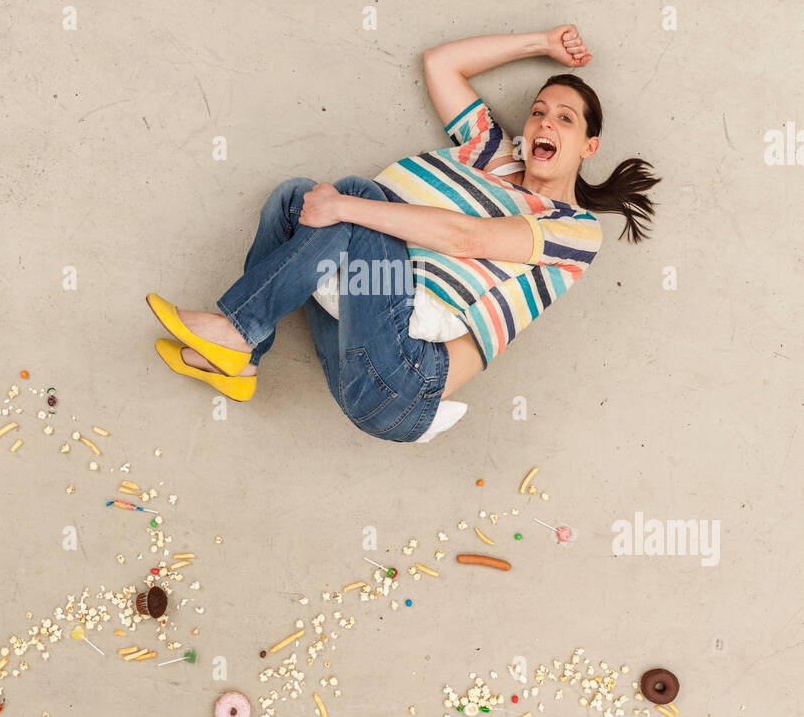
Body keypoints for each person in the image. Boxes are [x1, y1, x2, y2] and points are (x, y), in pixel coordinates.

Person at [146, 25, 660, 442]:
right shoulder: (490, 153)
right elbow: (441, 64)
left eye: (565, 120)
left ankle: (236, 329)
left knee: (350, 193)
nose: (545, 123)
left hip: (403, 384)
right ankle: (240, 362)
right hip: (364, 340)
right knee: (293, 200)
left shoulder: (574, 230)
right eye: (538, 112)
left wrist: (347, 204)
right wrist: (542, 45)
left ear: (589, 146)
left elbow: (468, 239)